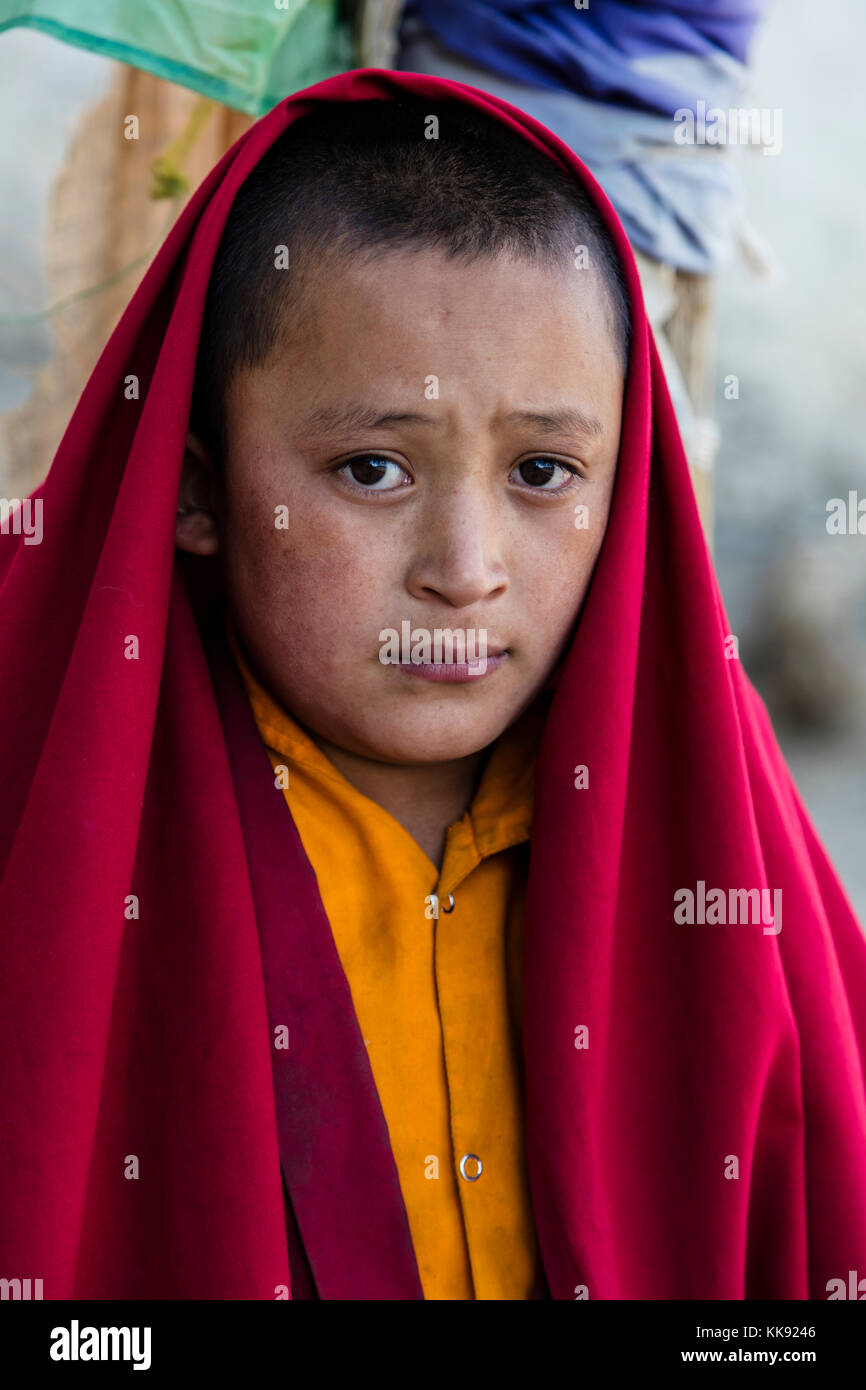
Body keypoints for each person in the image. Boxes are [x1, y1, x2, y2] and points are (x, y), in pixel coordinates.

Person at [1, 68, 865, 1302]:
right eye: (370, 469)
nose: (465, 574)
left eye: (543, 473)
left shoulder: (716, 844)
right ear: (194, 484)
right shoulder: (45, 812)